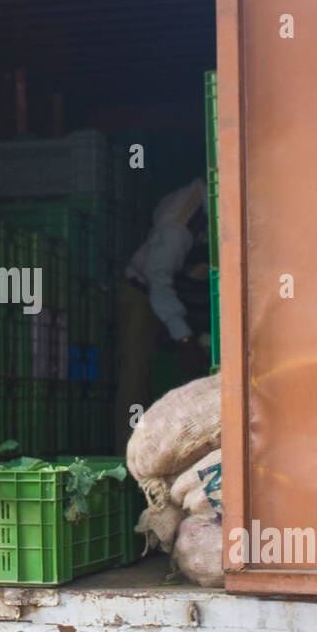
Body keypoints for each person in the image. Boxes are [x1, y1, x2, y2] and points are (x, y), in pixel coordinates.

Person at [113, 178, 211, 453]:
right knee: (136, 376)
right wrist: (185, 339)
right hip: (144, 293)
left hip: (186, 300)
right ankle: (129, 458)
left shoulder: (220, 210)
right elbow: (158, 280)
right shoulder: (180, 221)